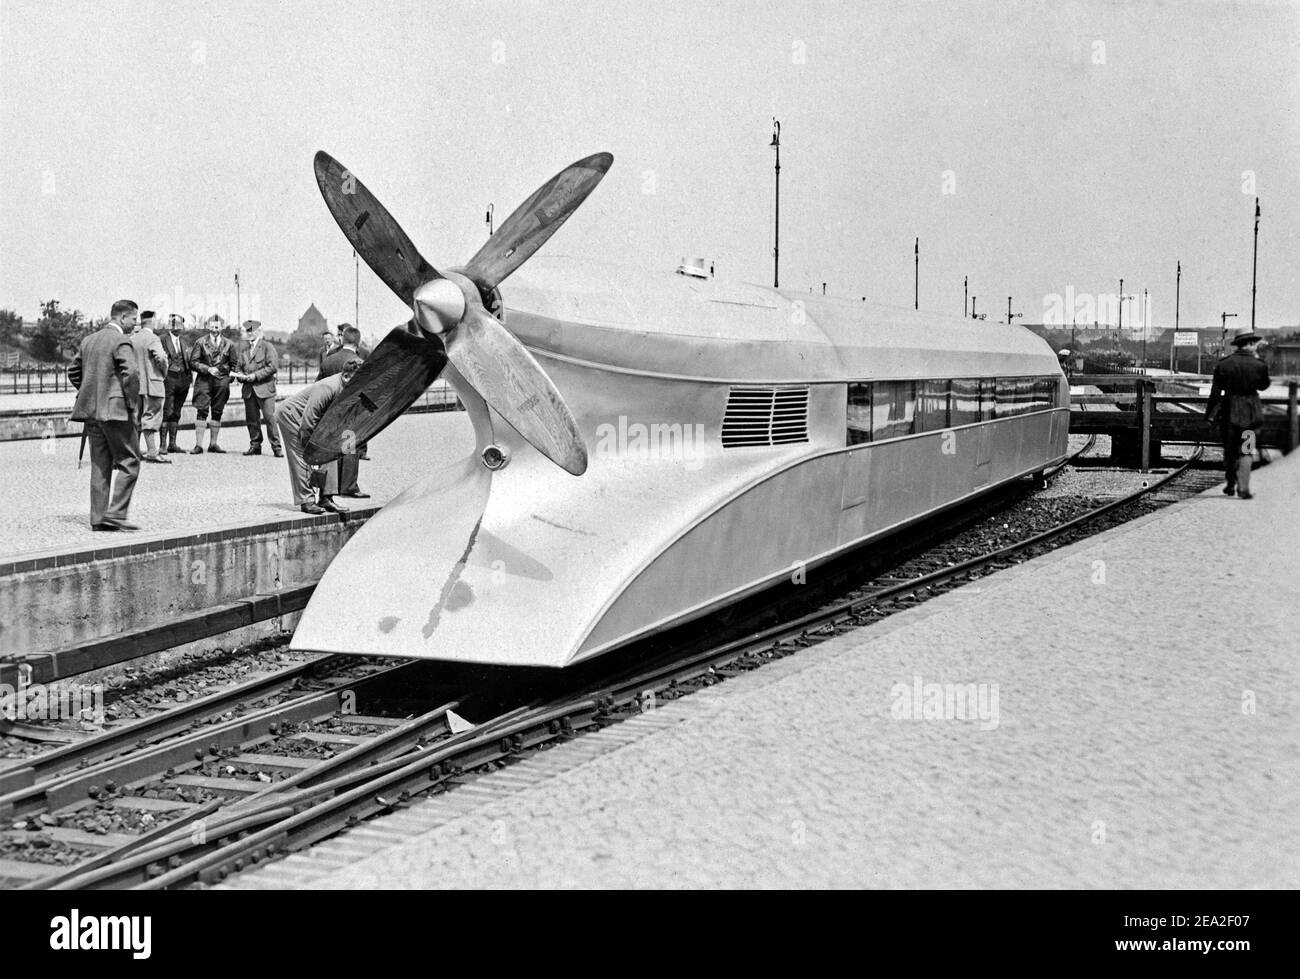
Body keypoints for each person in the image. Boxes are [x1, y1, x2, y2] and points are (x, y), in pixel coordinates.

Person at [68, 300, 142, 530]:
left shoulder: (89, 340)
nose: (135, 324)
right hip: (116, 413)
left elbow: (73, 371)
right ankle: (117, 514)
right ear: (121, 318)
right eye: (133, 319)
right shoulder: (121, 340)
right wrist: (132, 405)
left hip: (91, 413)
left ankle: (98, 519)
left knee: (100, 465)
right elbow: (130, 373)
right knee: (130, 462)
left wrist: (88, 393)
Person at [277, 356, 362, 514]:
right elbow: (308, 421)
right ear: (345, 376)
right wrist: (311, 448)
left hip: (311, 418)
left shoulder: (348, 384)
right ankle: (306, 501)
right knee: (302, 457)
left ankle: (326, 498)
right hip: (291, 415)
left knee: (329, 453)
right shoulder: (327, 387)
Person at [1206, 325, 1271, 500]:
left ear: (1239, 344)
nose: (1256, 346)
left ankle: (1230, 483)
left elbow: (1215, 393)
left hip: (1229, 412)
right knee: (1246, 450)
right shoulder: (1259, 365)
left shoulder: (1224, 364)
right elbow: (1264, 386)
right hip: (1251, 414)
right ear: (1250, 343)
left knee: (1230, 449)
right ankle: (1244, 487)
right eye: (1255, 343)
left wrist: (1209, 415)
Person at [317, 324, 369, 497]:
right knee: (349, 449)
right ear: (358, 342)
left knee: (332, 448)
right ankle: (348, 486)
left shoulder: (328, 360)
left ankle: (331, 486)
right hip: (351, 413)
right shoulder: (360, 362)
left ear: (342, 339)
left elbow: (319, 386)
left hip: (330, 411)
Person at [233, 320, 282, 457]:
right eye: (248, 331)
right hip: (249, 391)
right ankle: (255, 445)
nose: (250, 333)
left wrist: (255, 376)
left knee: (270, 418)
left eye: (252, 331)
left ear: (260, 332)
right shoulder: (244, 350)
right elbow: (238, 368)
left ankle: (276, 447)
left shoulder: (267, 346)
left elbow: (272, 367)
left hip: (265, 389)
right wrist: (240, 376)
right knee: (252, 420)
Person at [189, 315, 237, 453]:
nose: (214, 329)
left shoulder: (229, 344)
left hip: (221, 383)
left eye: (217, 327)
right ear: (208, 326)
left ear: (222, 327)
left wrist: (228, 379)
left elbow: (235, 364)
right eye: (212, 326)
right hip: (204, 381)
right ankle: (198, 445)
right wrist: (208, 369)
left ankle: (213, 444)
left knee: (217, 411)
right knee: (201, 410)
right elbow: (193, 362)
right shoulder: (200, 342)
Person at [130, 310, 170, 463]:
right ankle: (152, 452)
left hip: (136, 385)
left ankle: (135, 452)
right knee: (151, 417)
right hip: (153, 384)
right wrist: (163, 373)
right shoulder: (153, 338)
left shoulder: (132, 338)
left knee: (137, 418)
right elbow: (160, 357)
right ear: (153, 320)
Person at [159, 314, 191, 455]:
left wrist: (189, 376)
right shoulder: (162, 340)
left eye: (180, 324)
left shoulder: (184, 341)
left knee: (177, 411)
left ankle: (173, 444)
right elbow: (160, 359)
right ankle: (162, 445)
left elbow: (188, 360)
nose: (177, 327)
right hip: (169, 378)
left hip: (184, 380)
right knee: (167, 411)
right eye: (174, 324)